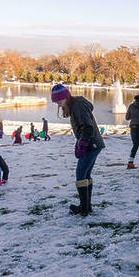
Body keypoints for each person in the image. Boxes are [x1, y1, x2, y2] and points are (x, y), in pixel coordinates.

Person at [51, 84, 105, 216]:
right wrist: (79, 143)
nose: (58, 103)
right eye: (56, 101)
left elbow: (88, 127)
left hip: (92, 145)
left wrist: (83, 144)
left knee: (81, 175)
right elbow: (82, 128)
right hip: (93, 144)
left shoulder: (78, 106)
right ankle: (86, 206)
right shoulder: (75, 105)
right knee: (85, 175)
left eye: (60, 100)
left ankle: (84, 208)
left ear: (66, 96)